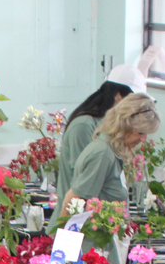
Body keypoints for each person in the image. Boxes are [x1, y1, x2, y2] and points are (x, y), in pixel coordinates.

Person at [52, 65, 147, 223]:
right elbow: (80, 187)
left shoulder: (108, 126)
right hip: (76, 223)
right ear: (118, 96)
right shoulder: (84, 126)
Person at [59, 92, 159, 208]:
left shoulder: (110, 151)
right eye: (140, 132)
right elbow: (73, 200)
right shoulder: (102, 154)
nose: (144, 139)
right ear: (123, 125)